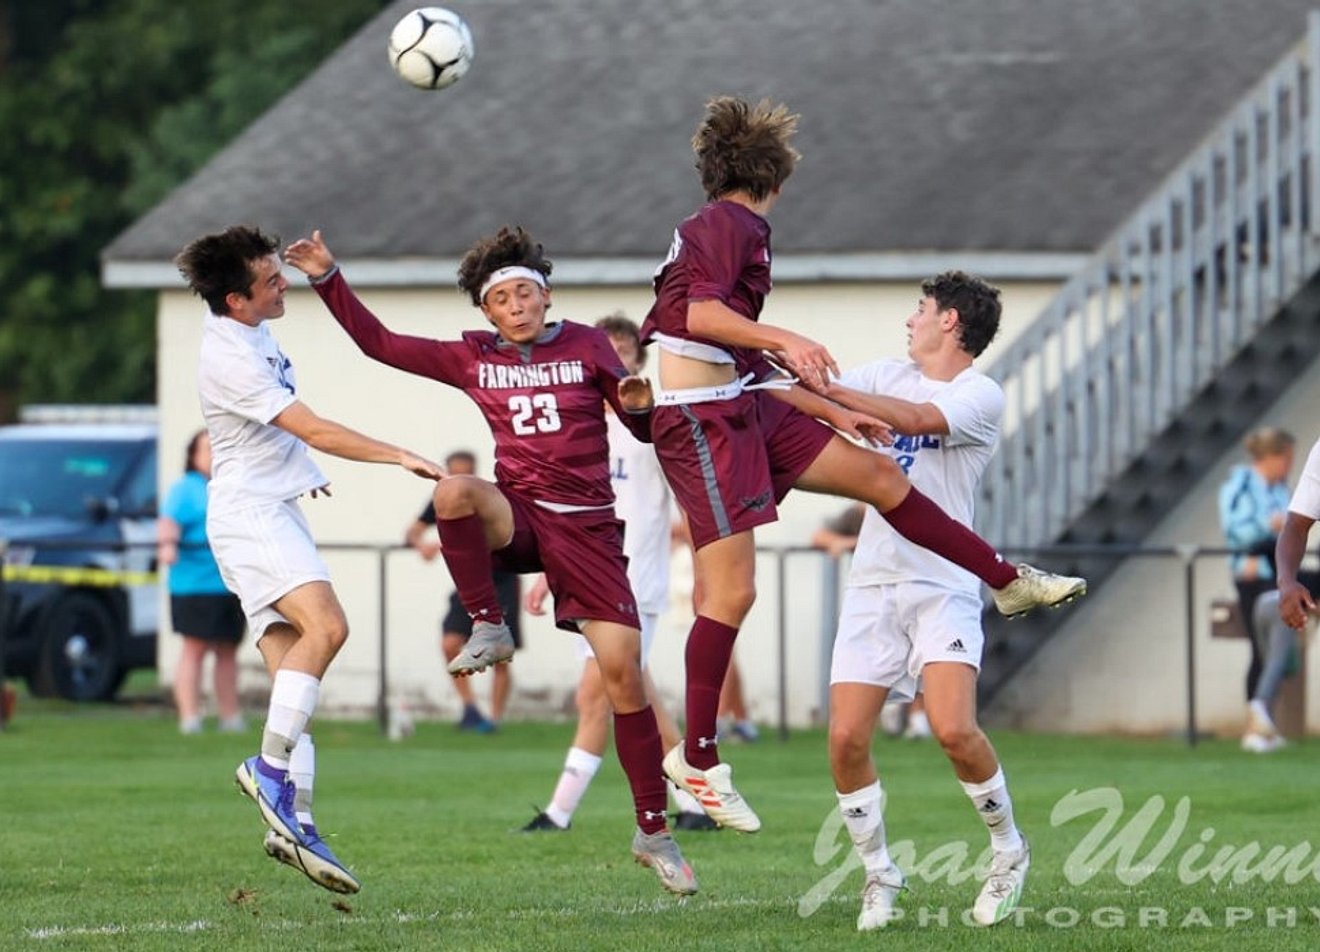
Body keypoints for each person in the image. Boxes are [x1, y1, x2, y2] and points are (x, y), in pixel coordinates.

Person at [641, 96, 1086, 832]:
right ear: (774, 177)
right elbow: (696, 319)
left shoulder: (728, 225)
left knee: (883, 478)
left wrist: (834, 410)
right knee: (730, 597)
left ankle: (1005, 581)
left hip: (741, 400)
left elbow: (743, 355)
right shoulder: (731, 223)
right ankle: (700, 759)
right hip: (702, 421)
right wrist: (787, 336)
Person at [284, 227, 699, 896]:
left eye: (525, 293)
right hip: (523, 518)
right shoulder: (474, 356)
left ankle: (653, 830)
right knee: (451, 491)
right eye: (501, 297)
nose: (515, 305)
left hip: (590, 533)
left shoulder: (589, 344)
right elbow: (380, 345)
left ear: (545, 296)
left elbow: (640, 424)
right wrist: (328, 276)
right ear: (487, 312)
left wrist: (641, 407)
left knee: (625, 683)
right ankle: (489, 623)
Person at [175, 225, 444, 896]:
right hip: (251, 517)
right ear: (236, 301)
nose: (282, 285)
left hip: (269, 508)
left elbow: (273, 435)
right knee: (329, 629)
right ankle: (268, 773)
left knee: (297, 668)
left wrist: (301, 469)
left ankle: (294, 820)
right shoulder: (229, 355)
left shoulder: (252, 332)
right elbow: (312, 424)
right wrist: (397, 453)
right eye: (270, 281)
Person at [823, 272, 1030, 930]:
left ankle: (1008, 851)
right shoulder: (886, 372)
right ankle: (881, 873)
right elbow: (811, 395)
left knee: (953, 730)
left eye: (921, 309)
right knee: (845, 739)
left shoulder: (979, 394)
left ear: (951, 322)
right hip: (874, 583)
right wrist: (806, 383)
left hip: (942, 585)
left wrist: (830, 393)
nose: (910, 319)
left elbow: (913, 422)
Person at [520, 314, 716, 834]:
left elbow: (692, 506)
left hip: (637, 584)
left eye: (623, 350)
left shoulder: (650, 429)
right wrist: (546, 572)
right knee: (643, 698)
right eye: (602, 349)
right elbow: (567, 512)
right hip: (588, 579)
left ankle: (557, 813)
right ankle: (698, 804)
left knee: (595, 696)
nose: (612, 358)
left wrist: (704, 574)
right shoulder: (579, 425)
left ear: (636, 360)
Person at [405, 449, 522, 732]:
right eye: (455, 472)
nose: (460, 478)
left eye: (466, 472)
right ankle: (471, 710)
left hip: (502, 580)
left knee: (501, 653)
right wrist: (423, 546)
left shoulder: (488, 495)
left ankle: (494, 719)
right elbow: (413, 532)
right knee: (449, 644)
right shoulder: (443, 497)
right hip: (469, 584)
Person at [157, 429, 246, 735]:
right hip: (194, 585)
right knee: (194, 649)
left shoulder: (232, 486)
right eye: (206, 448)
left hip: (230, 584)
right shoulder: (185, 489)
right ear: (193, 455)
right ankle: (190, 716)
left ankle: (230, 715)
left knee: (228, 650)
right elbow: (168, 525)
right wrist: (168, 545)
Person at [1217, 426, 1296, 743]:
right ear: (1273, 457)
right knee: (1262, 648)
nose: (1291, 465)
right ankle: (1255, 728)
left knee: (1277, 646)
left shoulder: (1280, 488)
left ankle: (1265, 725)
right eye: (1288, 458)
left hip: (1276, 572)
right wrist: (1271, 525)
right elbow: (1235, 530)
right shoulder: (1241, 484)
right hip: (1251, 574)